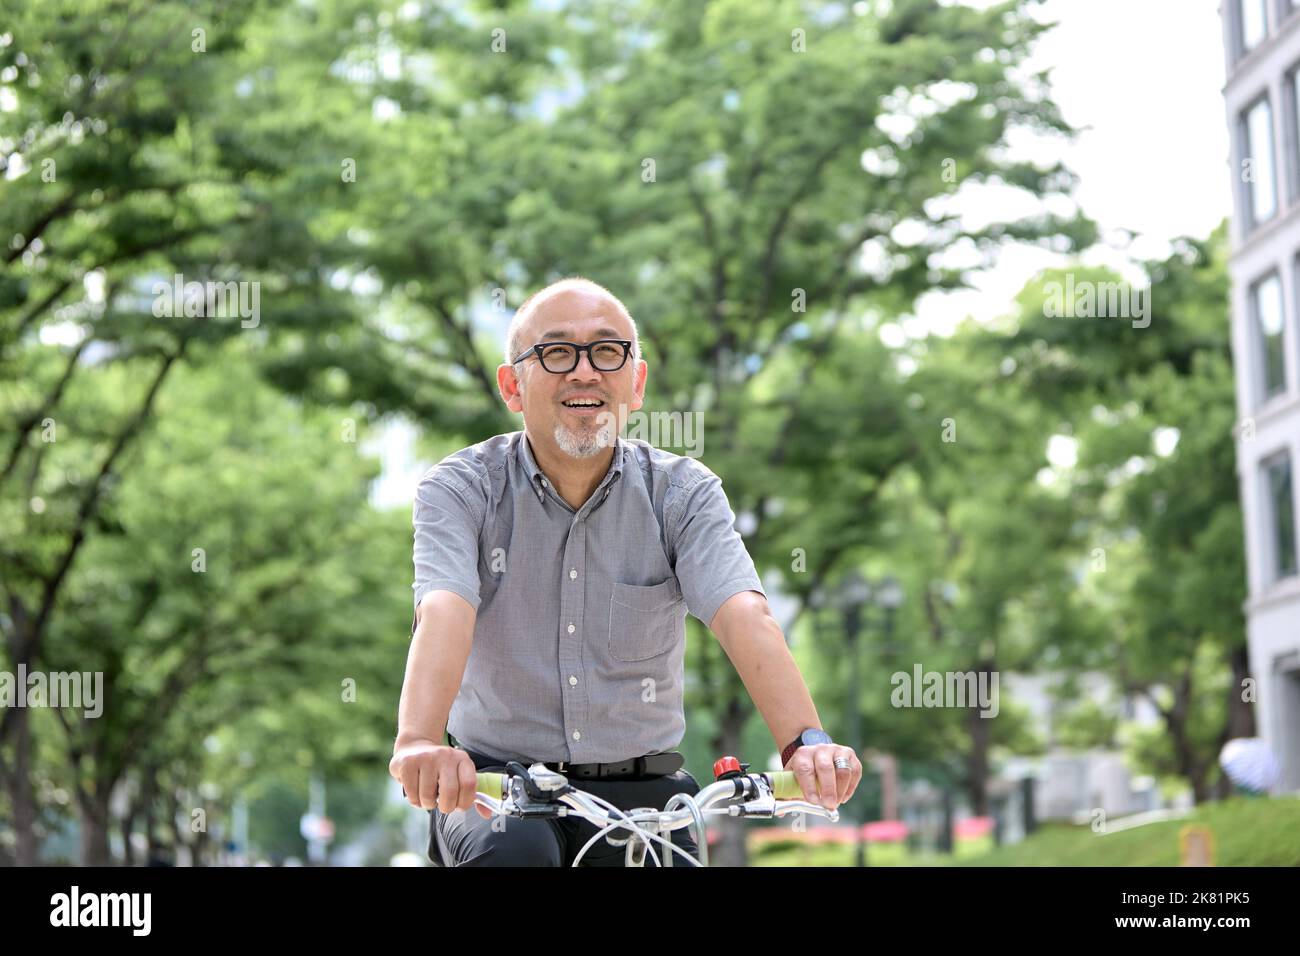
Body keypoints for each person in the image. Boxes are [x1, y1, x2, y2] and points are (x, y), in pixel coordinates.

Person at [388, 276, 861, 866]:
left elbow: (744, 612)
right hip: (495, 789)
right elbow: (444, 611)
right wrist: (420, 742)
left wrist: (806, 744)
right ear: (512, 385)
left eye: (607, 352)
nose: (585, 373)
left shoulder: (681, 494)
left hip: (648, 795)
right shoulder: (461, 490)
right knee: (518, 854)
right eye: (556, 353)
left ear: (634, 383)